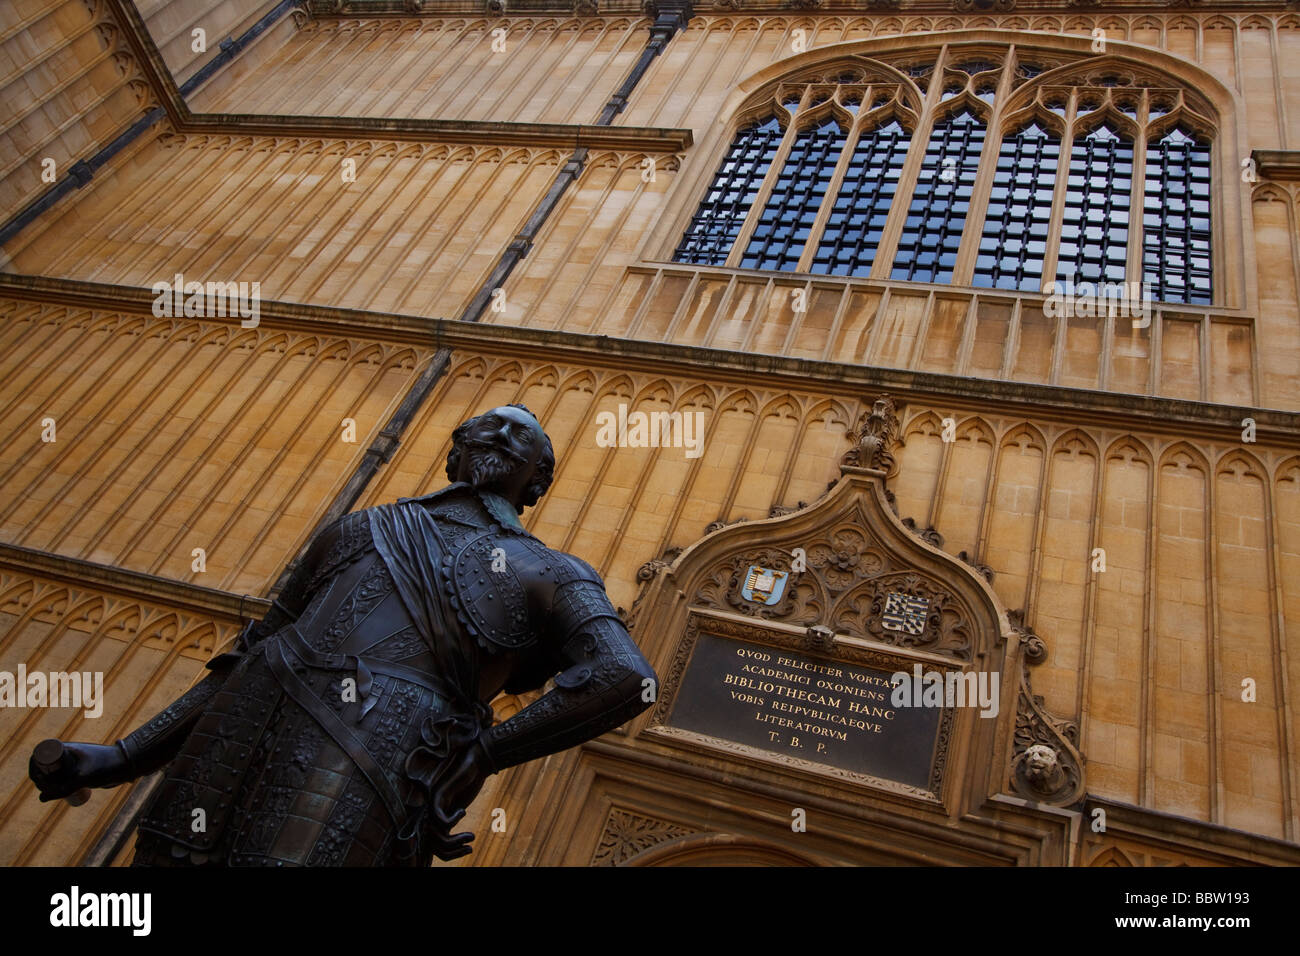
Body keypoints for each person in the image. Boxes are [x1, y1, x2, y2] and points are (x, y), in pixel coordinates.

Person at [29, 404, 656, 866]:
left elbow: (625, 677)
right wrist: (128, 755)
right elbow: (252, 650)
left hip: (372, 754)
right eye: (485, 425)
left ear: (537, 480)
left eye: (522, 436)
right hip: (236, 732)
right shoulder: (359, 529)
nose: (499, 433)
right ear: (456, 449)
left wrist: (488, 752)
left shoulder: (551, 570)